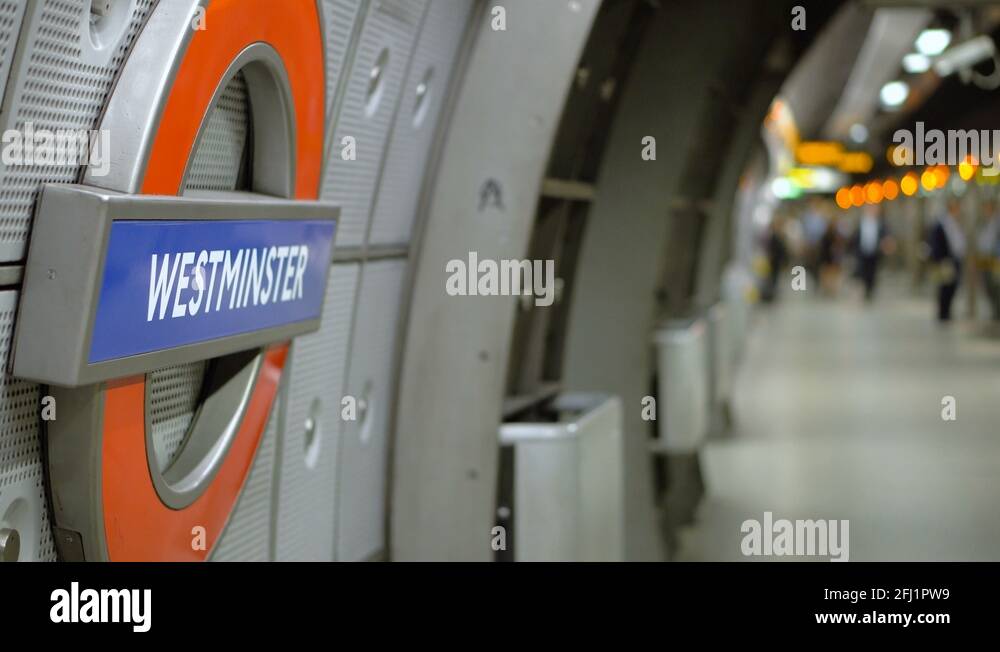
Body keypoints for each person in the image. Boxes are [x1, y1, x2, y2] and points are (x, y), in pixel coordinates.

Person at [928, 198, 967, 322]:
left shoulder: (956, 223)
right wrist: (939, 259)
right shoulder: (941, 224)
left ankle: (947, 311)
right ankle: (943, 312)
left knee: (953, 285)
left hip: (955, 259)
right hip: (944, 261)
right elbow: (936, 244)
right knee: (945, 286)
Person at [852, 204, 893, 302]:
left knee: (873, 272)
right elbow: (855, 237)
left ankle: (870, 289)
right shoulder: (860, 222)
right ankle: (865, 288)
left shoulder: (881, 223)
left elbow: (886, 236)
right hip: (863, 251)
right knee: (863, 271)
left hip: (875, 252)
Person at [976, 199, 1000, 321]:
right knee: (987, 285)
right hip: (984, 258)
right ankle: (993, 310)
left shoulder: (996, 224)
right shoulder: (984, 223)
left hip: (995, 259)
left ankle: (997, 312)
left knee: (995, 285)